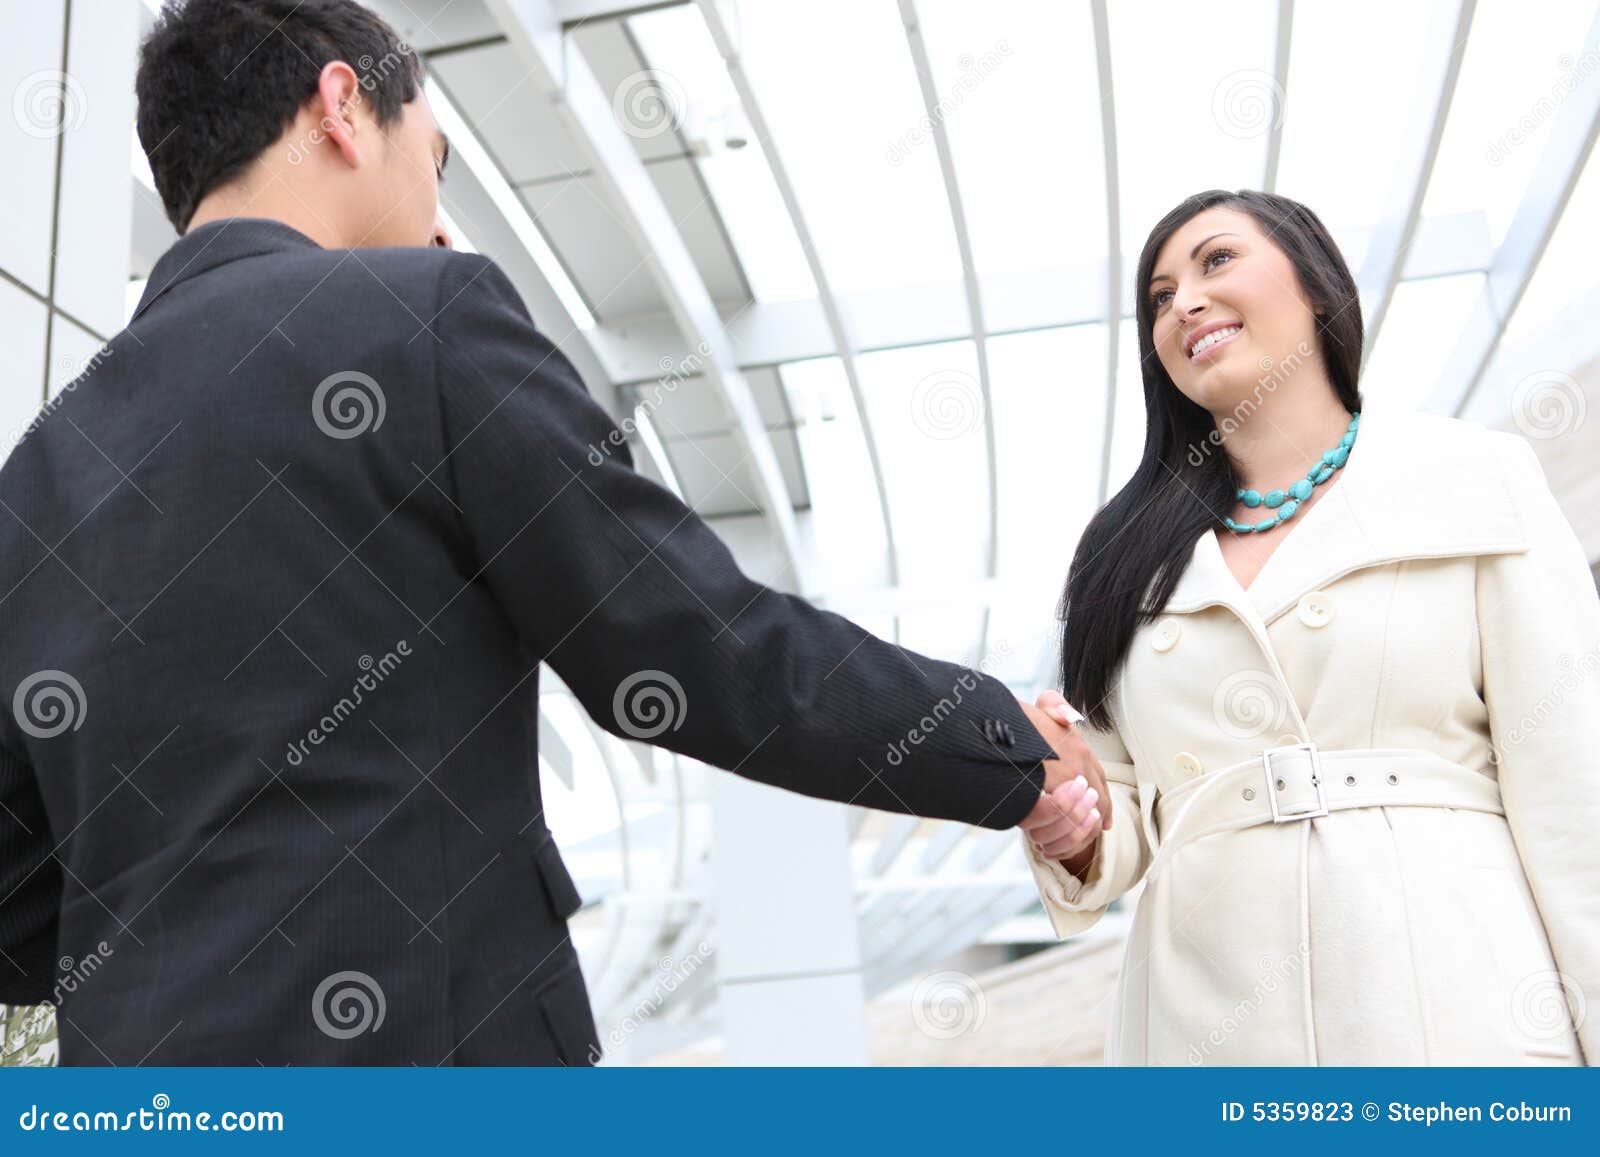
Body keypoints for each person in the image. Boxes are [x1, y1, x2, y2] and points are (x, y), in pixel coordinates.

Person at [0, 0, 1102, 1065]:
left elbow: (15, 895)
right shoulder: (424, 318)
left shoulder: (40, 467)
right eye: (434, 158)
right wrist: (996, 738)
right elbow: (688, 644)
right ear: (342, 105)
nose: (434, 195)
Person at [1019, 188, 1599, 1065]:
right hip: (1205, 1019)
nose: (1185, 302)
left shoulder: (1470, 476)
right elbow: (1124, 807)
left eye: (1216, 261)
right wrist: (1073, 826)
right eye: (1160, 297)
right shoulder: (1118, 554)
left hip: (1456, 1002)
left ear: (1318, 286)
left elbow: (1572, 785)